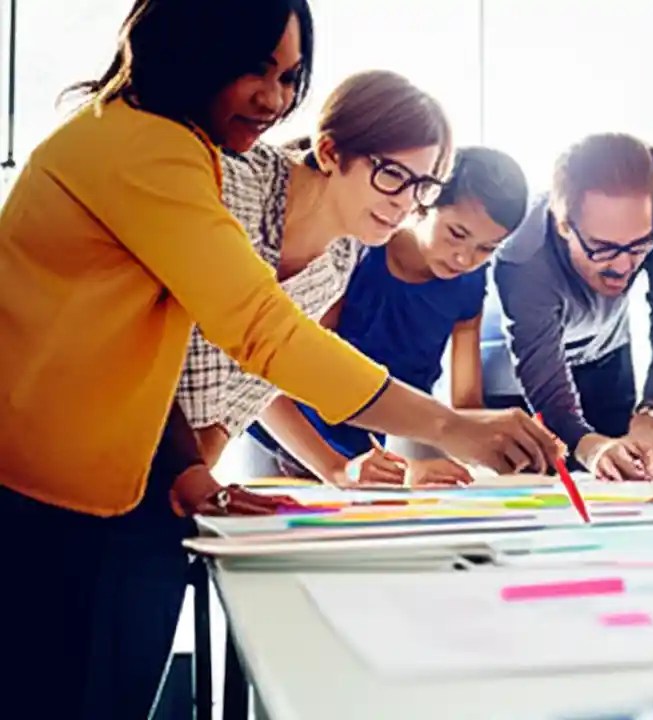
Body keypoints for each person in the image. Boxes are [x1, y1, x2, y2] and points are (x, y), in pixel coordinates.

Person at [0, 2, 555, 716]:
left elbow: (226, 365)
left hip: (124, 480)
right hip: (48, 486)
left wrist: (199, 468)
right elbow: (260, 331)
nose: (275, 97)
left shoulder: (185, 158)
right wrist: (452, 426)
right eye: (255, 67)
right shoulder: (160, 155)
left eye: (290, 75)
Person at [174, 69, 454, 470]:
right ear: (329, 152)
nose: (406, 204)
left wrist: (195, 481)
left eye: (423, 186)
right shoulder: (227, 184)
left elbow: (243, 395)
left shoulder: (338, 262)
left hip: (160, 477)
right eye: (392, 174)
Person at [249, 146, 531, 486]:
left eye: (488, 248)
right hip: (291, 439)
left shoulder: (469, 283)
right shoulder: (357, 253)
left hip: (367, 455)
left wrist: (510, 440)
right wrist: (342, 467)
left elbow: (466, 404)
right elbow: (277, 374)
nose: (465, 258)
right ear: (422, 202)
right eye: (457, 234)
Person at [492, 133, 653, 481]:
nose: (622, 267)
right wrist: (586, 444)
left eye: (638, 246)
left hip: (606, 353)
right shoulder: (523, 258)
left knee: (627, 478)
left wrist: (652, 413)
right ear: (563, 225)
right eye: (603, 248)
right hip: (524, 374)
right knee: (546, 486)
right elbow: (547, 389)